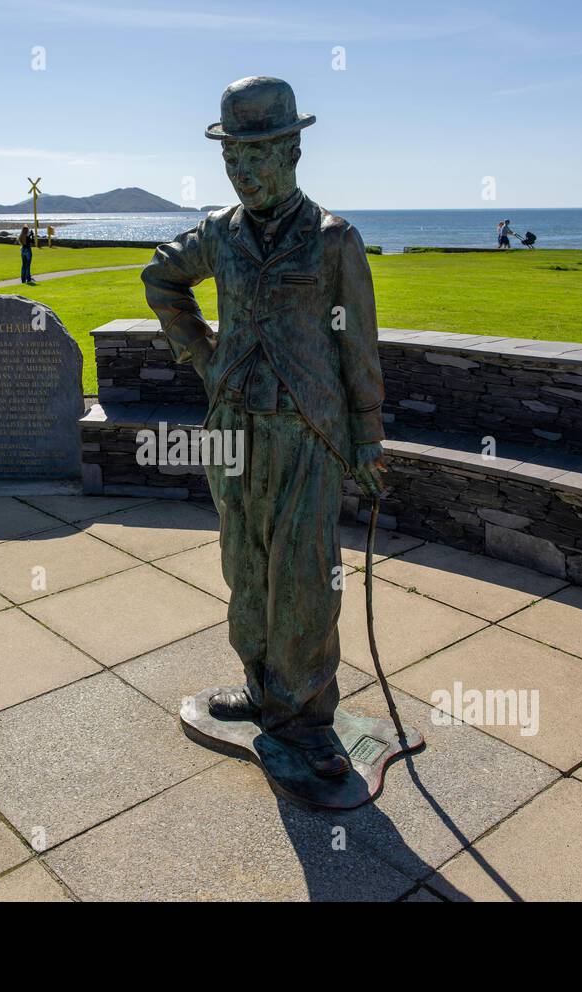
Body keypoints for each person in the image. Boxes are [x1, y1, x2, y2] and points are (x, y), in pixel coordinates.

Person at [143, 76, 387, 779]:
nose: (243, 173)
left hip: (306, 433)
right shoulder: (220, 234)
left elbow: (358, 347)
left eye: (256, 157)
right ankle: (260, 692)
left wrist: (367, 434)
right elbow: (161, 279)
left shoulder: (335, 241)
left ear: (293, 150)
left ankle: (308, 719)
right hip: (230, 431)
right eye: (233, 161)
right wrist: (204, 354)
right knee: (244, 569)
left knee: (305, 580)